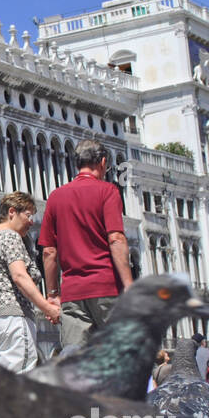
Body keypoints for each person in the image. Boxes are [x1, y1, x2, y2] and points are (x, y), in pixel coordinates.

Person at [38, 139, 134, 348]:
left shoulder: (55, 197)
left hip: (72, 292)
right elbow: (116, 238)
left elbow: (49, 251)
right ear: (102, 162)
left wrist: (53, 294)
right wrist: (128, 285)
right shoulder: (108, 191)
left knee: (75, 362)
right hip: (107, 289)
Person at [0, 192, 61, 371]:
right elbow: (19, 276)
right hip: (12, 317)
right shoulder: (11, 237)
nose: (32, 221)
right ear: (12, 212)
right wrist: (47, 308)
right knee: (21, 377)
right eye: (28, 215)